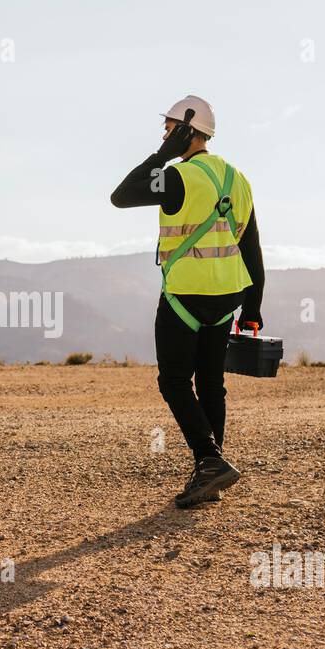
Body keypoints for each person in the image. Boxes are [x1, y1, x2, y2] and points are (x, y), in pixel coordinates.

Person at [110, 95, 266, 507]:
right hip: (227, 297)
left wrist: (161, 155)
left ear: (186, 131)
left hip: (185, 296)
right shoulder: (238, 178)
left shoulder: (178, 177)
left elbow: (121, 195)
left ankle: (209, 460)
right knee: (211, 383)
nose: (163, 134)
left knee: (174, 382)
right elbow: (251, 247)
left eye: (168, 128)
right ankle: (209, 475)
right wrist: (252, 309)